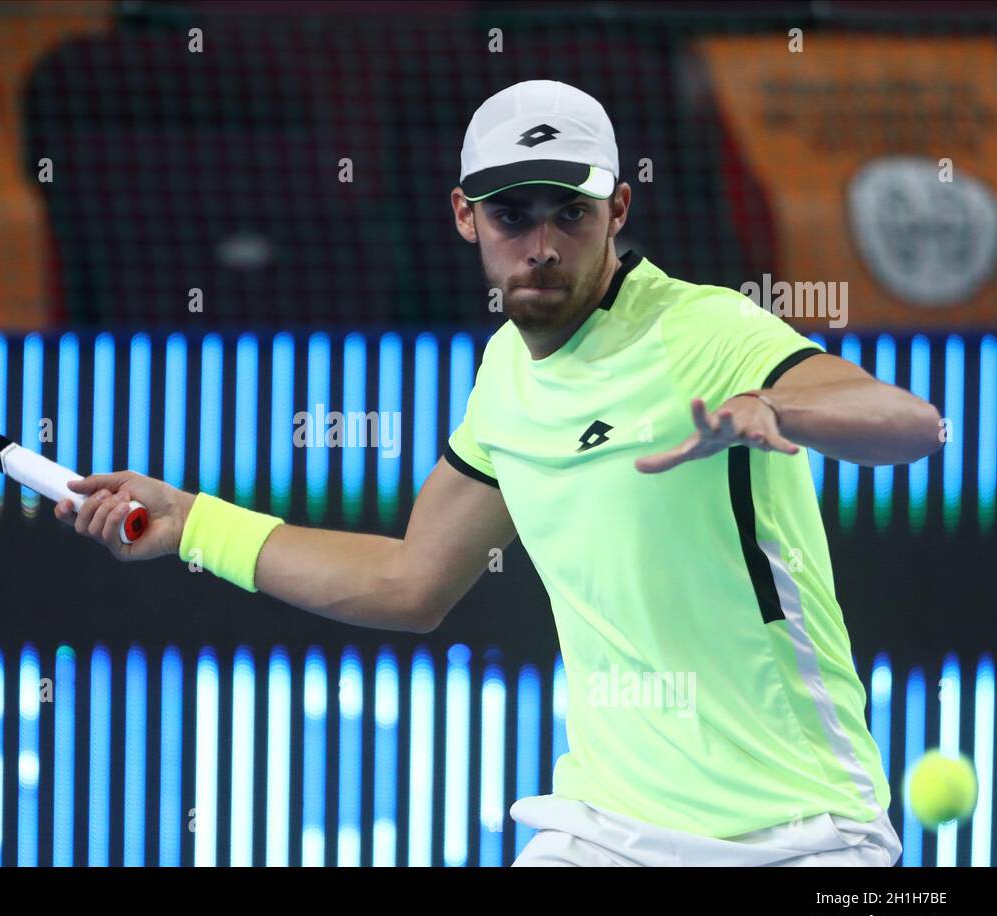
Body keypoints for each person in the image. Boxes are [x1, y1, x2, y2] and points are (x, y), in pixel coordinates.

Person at [56, 80, 940, 866]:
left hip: (801, 834)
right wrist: (194, 525)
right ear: (464, 215)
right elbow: (409, 582)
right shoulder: (505, 378)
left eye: (572, 213)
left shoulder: (705, 331)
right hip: (607, 828)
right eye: (513, 214)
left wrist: (782, 409)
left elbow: (912, 425)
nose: (542, 244)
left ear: (619, 210)